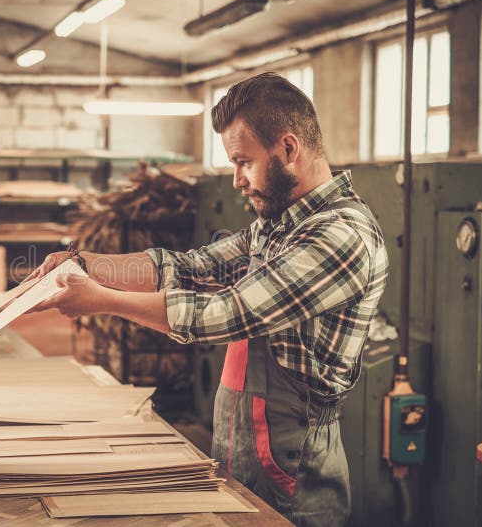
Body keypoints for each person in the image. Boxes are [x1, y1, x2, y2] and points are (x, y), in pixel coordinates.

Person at [28, 72, 388, 527]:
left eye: (243, 161)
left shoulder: (341, 236)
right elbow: (191, 265)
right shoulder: (278, 225)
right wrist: (83, 263)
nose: (237, 180)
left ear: (289, 149)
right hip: (244, 448)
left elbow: (227, 314)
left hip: (295, 471)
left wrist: (101, 299)